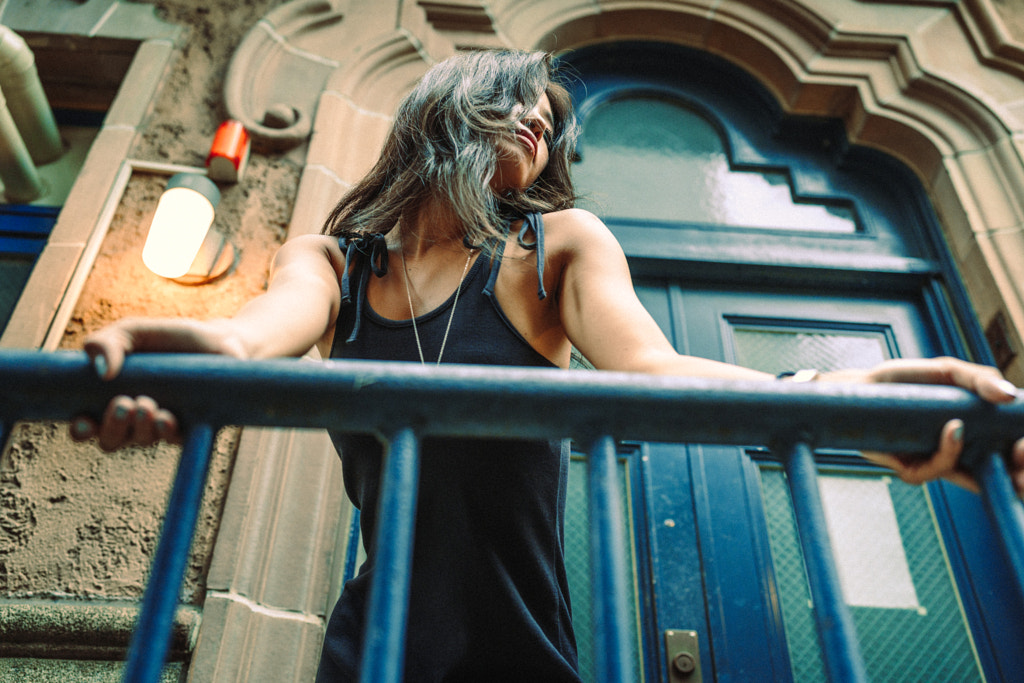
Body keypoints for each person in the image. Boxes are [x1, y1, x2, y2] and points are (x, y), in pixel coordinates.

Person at [73, 50, 1024, 681]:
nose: (535, 118)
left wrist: (836, 394)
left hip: (522, 650)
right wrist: (194, 357)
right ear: (443, 112)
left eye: (546, 113)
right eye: (512, 98)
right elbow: (255, 336)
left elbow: (651, 367)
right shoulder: (332, 263)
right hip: (377, 651)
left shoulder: (557, 246)